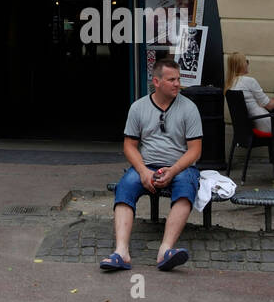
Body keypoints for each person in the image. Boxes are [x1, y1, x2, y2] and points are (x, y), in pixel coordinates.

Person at [100, 57, 203, 273]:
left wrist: (174, 170)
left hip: (180, 166)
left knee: (186, 188)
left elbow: (195, 150)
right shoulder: (138, 108)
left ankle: (165, 251)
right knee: (125, 187)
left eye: (178, 79)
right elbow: (129, 145)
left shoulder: (189, 108)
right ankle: (121, 252)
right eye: (171, 80)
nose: (177, 84)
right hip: (146, 165)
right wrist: (143, 171)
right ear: (156, 82)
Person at [223, 51, 274, 135]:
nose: (247, 64)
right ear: (242, 64)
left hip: (249, 126)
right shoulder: (249, 81)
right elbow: (269, 105)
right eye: (246, 61)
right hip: (264, 123)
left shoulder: (230, 84)